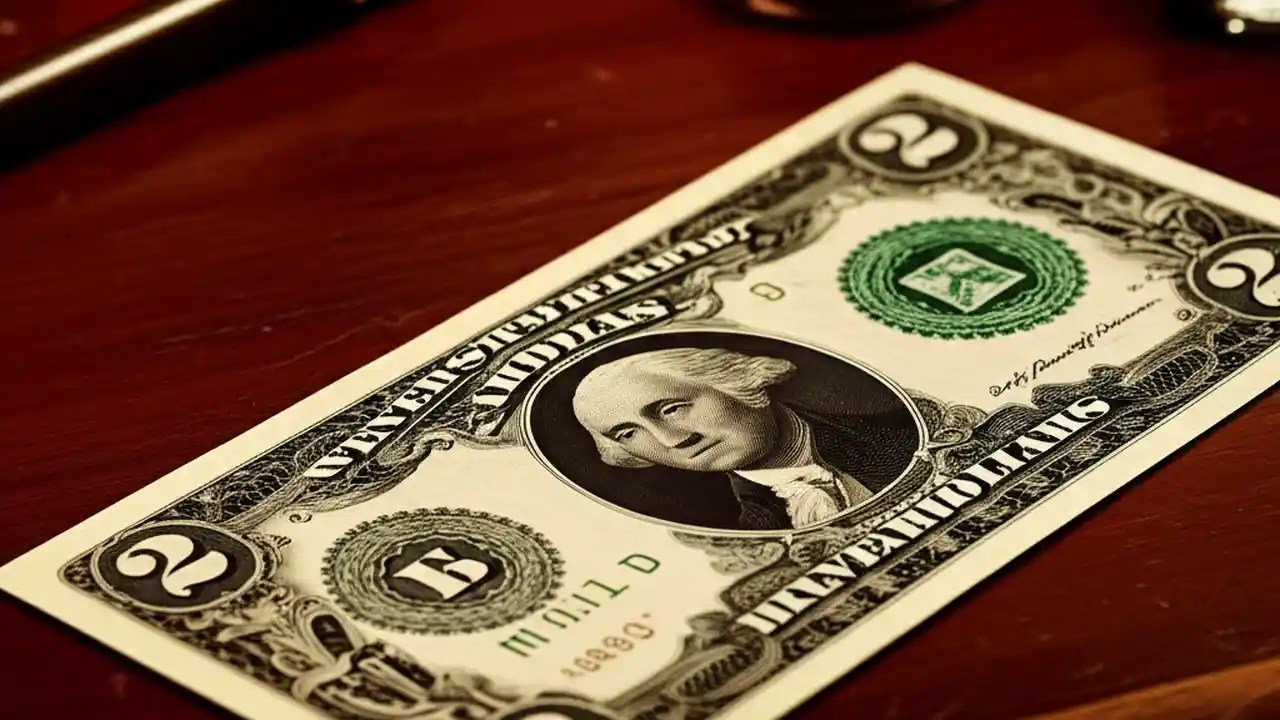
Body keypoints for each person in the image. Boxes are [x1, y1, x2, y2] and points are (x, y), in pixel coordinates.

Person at [570, 347, 917, 531]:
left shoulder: (907, 434)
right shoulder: (744, 531)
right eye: (629, 433)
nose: (673, 440)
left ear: (740, 384)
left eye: (672, 409)